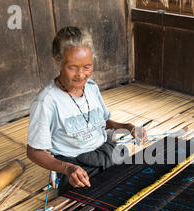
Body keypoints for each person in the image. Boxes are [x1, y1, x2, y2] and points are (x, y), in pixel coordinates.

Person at [26, 26, 146, 194]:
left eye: (87, 67)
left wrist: (127, 127)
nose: (81, 75)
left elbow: (100, 123)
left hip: (106, 152)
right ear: (58, 62)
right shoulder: (47, 102)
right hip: (76, 165)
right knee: (97, 201)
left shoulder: (91, 87)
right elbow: (34, 151)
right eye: (73, 67)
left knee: (141, 184)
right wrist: (68, 169)